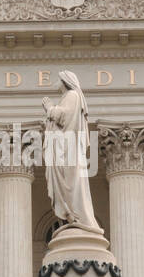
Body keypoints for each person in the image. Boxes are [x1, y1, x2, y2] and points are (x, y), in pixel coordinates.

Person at [42, 71, 100, 232]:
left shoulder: (72, 95)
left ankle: (80, 218)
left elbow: (64, 117)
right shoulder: (67, 97)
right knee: (67, 185)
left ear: (65, 81)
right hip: (63, 149)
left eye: (59, 79)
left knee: (72, 185)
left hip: (68, 150)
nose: (57, 82)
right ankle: (72, 217)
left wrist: (49, 108)